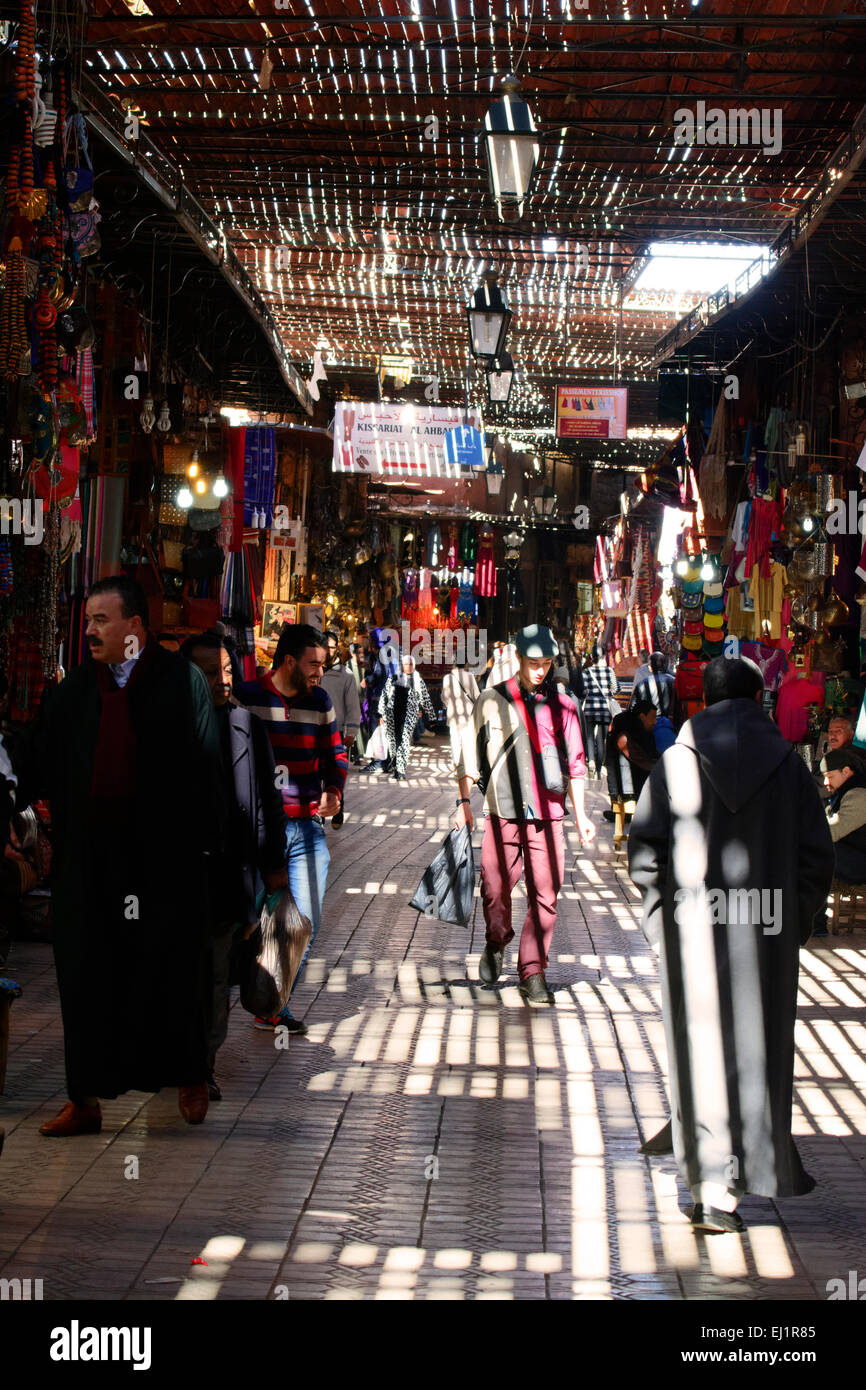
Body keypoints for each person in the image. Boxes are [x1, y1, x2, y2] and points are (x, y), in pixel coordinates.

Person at [628, 655, 834, 1234]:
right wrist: (790, 923)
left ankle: (705, 1184)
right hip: (764, 939)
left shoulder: (673, 763)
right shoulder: (790, 768)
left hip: (692, 931)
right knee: (754, 1054)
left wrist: (660, 922)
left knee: (697, 1052)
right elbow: (817, 857)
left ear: (702, 702)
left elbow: (646, 852)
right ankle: (731, 1186)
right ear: (760, 698)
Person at [21, 576, 227, 1136]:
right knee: (85, 972)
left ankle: (187, 1074)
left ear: (135, 627)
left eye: (102, 620)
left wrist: (209, 849)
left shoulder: (179, 682)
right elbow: (39, 759)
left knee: (169, 967)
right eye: (88, 620)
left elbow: (209, 766)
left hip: (163, 860)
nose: (90, 630)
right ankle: (84, 1099)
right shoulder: (73, 692)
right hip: (90, 862)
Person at [454, 624, 596, 1004]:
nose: (541, 671)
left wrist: (581, 815)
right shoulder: (490, 700)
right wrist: (464, 803)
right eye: (534, 663)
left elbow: (576, 764)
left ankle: (532, 971)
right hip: (502, 813)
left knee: (546, 896)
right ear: (518, 659)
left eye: (547, 663)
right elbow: (469, 754)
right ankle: (496, 940)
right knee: (494, 889)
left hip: (548, 815)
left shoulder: (565, 705)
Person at [181, 633, 288, 1098]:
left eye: (226, 671)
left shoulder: (246, 725)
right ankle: (177, 1057)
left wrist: (272, 865)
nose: (221, 682)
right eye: (208, 672)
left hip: (228, 876)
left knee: (215, 973)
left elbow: (268, 800)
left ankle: (200, 1066)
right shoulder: (167, 726)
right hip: (176, 874)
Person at [237, 624, 346, 1035]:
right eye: (314, 663)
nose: (321, 671)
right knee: (245, 919)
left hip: (304, 829)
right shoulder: (247, 697)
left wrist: (334, 788)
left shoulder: (319, 701)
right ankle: (248, 987)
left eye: (323, 663)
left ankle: (270, 1004)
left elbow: (334, 753)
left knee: (303, 922)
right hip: (255, 829)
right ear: (288, 661)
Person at [320, 630, 361, 828]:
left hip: (336, 731)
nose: (328, 651)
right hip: (314, 730)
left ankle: (338, 809)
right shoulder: (314, 670)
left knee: (335, 773)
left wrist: (351, 732)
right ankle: (317, 815)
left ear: (337, 649)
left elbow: (353, 706)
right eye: (325, 646)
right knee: (316, 772)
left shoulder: (346, 676)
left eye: (331, 647)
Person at [378, 655, 435, 782]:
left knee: (404, 740)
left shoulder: (418, 680)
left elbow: (425, 698)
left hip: (409, 715)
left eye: (411, 664)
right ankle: (395, 765)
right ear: (401, 665)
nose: (409, 666)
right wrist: (380, 713)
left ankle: (401, 770)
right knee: (393, 742)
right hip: (392, 714)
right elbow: (384, 695)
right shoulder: (393, 678)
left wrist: (432, 717)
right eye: (406, 664)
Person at [604, 698, 658, 812]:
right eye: (653, 717)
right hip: (629, 790)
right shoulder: (625, 736)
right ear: (642, 716)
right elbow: (644, 762)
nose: (655, 722)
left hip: (632, 787)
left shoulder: (640, 731)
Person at [823, 747, 866, 883]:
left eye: (830, 776)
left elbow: (833, 831)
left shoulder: (859, 795)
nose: (825, 783)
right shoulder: (844, 791)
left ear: (846, 772)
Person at [581, 648, 619, 778]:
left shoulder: (586, 672)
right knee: (601, 738)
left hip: (590, 709)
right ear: (603, 656)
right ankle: (598, 769)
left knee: (590, 737)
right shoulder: (609, 671)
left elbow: (583, 690)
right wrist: (609, 691)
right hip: (604, 708)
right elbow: (616, 688)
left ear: (591, 657)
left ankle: (590, 761)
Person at [442, 660, 480, 773]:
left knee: (455, 740)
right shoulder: (470, 676)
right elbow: (477, 695)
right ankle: (467, 766)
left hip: (453, 714)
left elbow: (444, 696)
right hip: (468, 715)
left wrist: (450, 705)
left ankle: (457, 765)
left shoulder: (447, 678)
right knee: (468, 741)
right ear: (466, 663)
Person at [631, 651, 681, 726]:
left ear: (650, 668)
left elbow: (633, 707)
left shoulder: (642, 684)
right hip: (671, 724)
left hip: (648, 725)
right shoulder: (674, 681)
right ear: (665, 666)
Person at [346, 641, 367, 760]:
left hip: (363, 700)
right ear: (352, 653)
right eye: (359, 652)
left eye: (362, 652)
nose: (361, 654)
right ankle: (358, 752)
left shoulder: (364, 666)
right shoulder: (347, 666)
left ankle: (359, 752)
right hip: (352, 700)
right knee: (356, 726)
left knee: (362, 726)